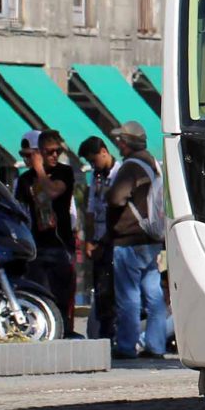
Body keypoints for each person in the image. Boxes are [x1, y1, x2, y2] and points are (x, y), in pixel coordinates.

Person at [104, 121, 171, 360]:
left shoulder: (130, 167)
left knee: (128, 296)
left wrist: (107, 193)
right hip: (150, 237)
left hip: (129, 239)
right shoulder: (153, 163)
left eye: (120, 140)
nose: (118, 145)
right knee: (153, 294)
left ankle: (126, 345)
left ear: (126, 142)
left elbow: (117, 199)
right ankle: (156, 345)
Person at [15, 129, 78, 335]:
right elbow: (20, 210)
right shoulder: (25, 180)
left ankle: (64, 330)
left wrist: (40, 169)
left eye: (57, 152)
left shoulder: (64, 172)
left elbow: (52, 192)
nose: (54, 156)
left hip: (60, 244)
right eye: (49, 152)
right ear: (39, 152)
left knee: (62, 292)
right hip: (37, 244)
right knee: (39, 291)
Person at [76, 135, 117, 342]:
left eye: (94, 159)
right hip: (99, 239)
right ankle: (104, 332)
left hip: (114, 240)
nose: (94, 165)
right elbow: (91, 209)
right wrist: (90, 239)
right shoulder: (97, 177)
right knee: (100, 288)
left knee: (112, 289)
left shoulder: (120, 172)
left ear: (104, 151)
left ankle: (113, 333)